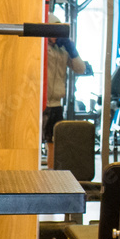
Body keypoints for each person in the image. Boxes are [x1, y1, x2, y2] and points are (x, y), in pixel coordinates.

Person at [43, 13, 86, 168]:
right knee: (34, 141)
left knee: (53, 142)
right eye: (53, 32)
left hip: (56, 104)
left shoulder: (63, 49)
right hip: (40, 103)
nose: (55, 36)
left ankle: (51, 175)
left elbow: (81, 69)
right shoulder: (41, 48)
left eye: (58, 32)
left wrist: (71, 49)